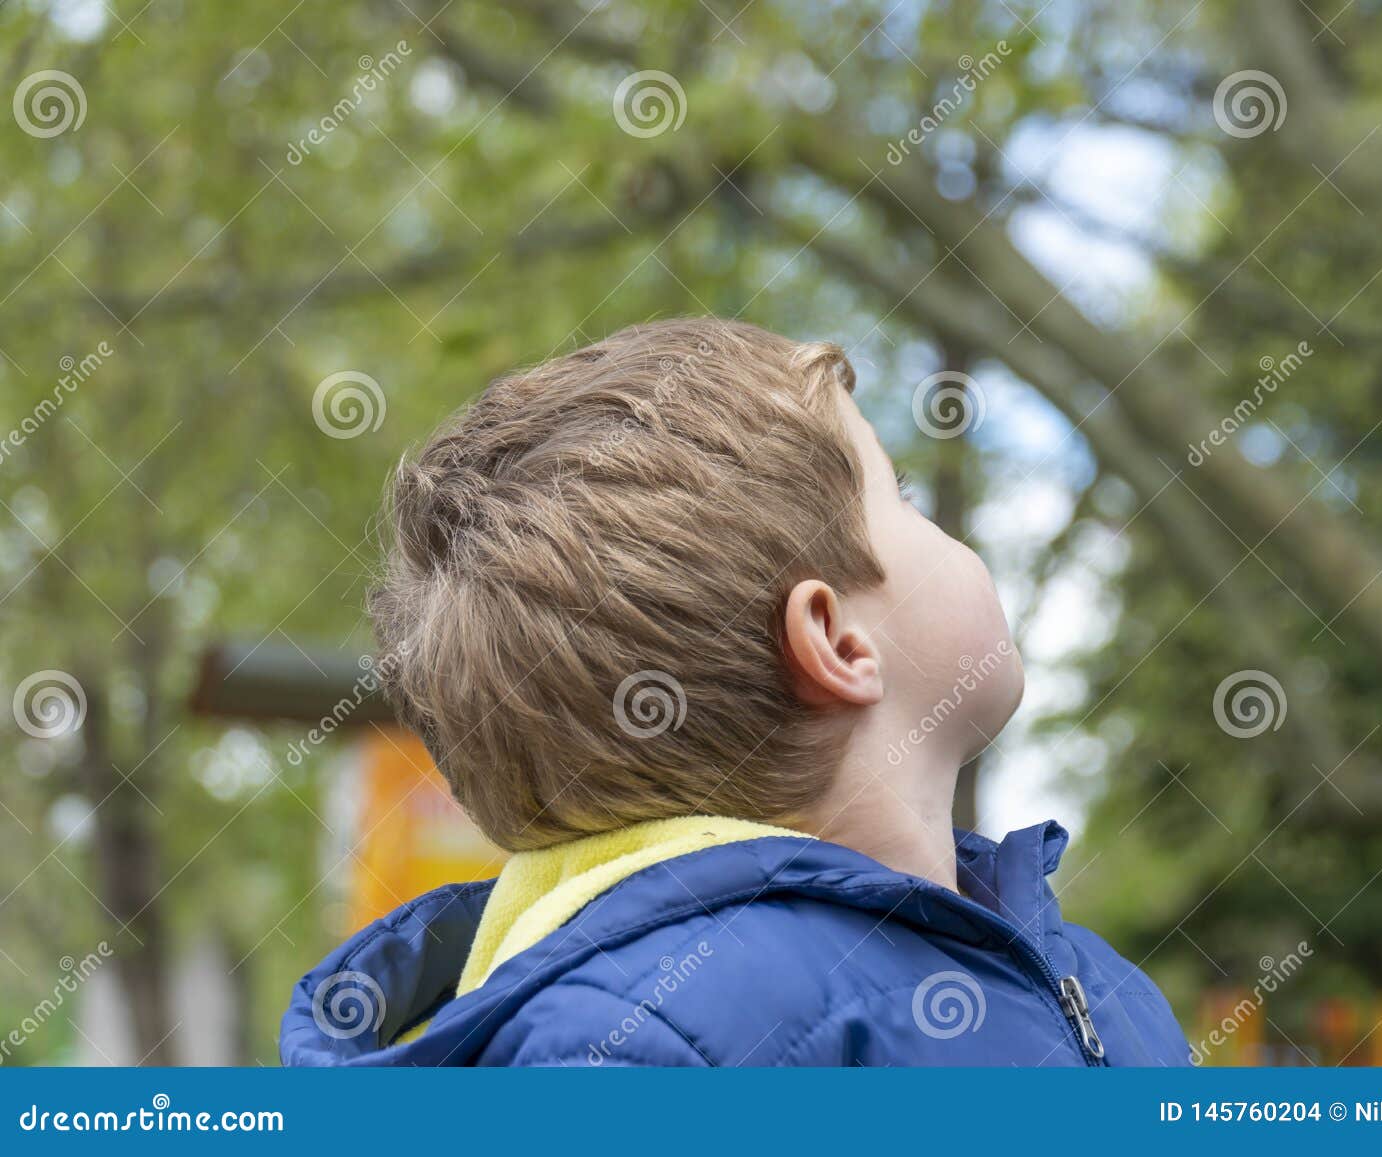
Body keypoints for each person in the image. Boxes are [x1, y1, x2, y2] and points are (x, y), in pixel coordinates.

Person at [280, 318, 1192, 1066]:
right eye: (900, 495)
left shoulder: (1084, 978)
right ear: (836, 641)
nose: (937, 520)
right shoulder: (632, 1044)